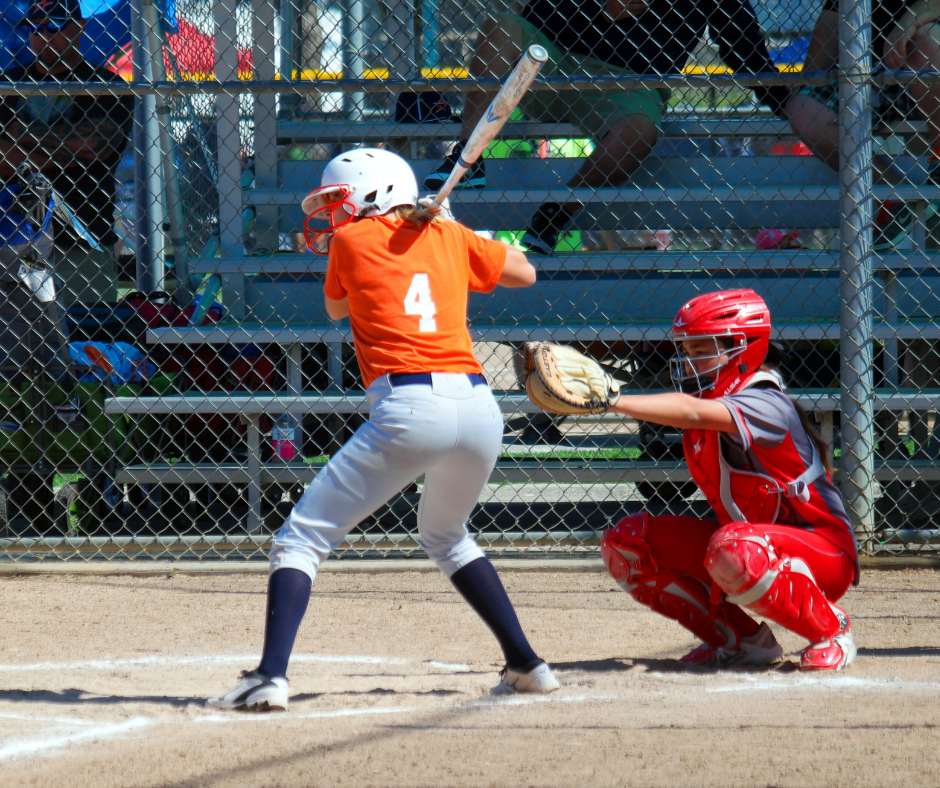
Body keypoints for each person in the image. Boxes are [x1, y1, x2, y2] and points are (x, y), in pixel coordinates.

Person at [208, 148, 560, 711]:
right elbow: (526, 271)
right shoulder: (448, 236)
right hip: (477, 408)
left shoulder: (351, 243)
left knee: (301, 537)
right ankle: (527, 665)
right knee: (447, 535)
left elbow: (334, 307)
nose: (332, 219)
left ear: (372, 194)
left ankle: (270, 676)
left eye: (339, 204)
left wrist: (427, 231)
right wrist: (452, 231)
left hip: (410, 406)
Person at [531, 289, 859, 669]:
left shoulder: (765, 402)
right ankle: (740, 640)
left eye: (702, 350)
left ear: (744, 347)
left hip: (825, 554)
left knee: (732, 547)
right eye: (687, 351)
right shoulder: (714, 407)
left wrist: (612, 400)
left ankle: (831, 630)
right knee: (628, 544)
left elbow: (691, 412)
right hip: (755, 544)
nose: (689, 362)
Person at [424, 0, 790, 254]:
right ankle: (466, 157)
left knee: (640, 129)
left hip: (630, 84)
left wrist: (789, 103)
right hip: (556, 58)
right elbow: (537, 12)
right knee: (500, 26)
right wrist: (596, 7)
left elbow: (742, 43)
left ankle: (557, 212)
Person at [0, 0, 133, 305]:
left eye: (54, 26)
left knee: (82, 338)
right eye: (34, 28)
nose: (43, 36)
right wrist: (59, 152)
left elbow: (92, 145)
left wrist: (20, 137)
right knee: (15, 342)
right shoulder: (8, 84)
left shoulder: (104, 84)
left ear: (80, 28)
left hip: (80, 239)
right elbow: (77, 147)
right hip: (11, 234)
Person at [788, 0, 940, 249]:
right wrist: (804, 88)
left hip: (929, 59)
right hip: (879, 71)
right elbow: (831, 23)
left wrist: (907, 23)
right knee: (804, 112)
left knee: (923, 42)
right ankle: (900, 200)